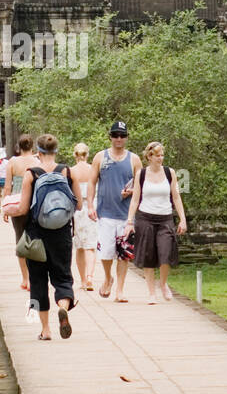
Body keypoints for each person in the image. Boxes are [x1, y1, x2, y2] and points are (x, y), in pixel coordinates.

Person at [10, 133, 80, 340]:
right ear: (56, 151)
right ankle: (64, 307)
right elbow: (79, 204)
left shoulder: (31, 174)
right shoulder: (67, 171)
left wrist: (8, 211)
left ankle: (46, 330)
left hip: (36, 235)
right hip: (61, 233)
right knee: (63, 276)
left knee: (38, 280)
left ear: (38, 153)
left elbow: (23, 209)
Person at [125, 141, 187, 303]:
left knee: (165, 254)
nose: (161, 158)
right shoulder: (142, 174)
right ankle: (151, 293)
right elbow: (135, 200)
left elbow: (176, 197)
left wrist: (182, 219)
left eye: (162, 155)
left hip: (165, 218)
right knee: (148, 256)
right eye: (157, 155)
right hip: (145, 218)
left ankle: (163, 283)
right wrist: (129, 221)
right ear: (149, 156)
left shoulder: (170, 173)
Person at [87, 120, 141, 302]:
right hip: (106, 213)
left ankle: (120, 289)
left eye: (122, 136)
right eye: (116, 135)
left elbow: (141, 187)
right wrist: (90, 205)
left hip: (126, 215)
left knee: (124, 254)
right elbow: (92, 182)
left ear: (126, 138)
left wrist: (131, 191)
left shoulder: (134, 159)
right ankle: (108, 277)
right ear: (110, 137)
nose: (119, 139)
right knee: (106, 253)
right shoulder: (100, 157)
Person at [3, 135, 39, 291]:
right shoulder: (38, 162)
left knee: (20, 238)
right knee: (34, 239)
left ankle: (25, 278)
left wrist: (5, 206)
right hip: (33, 202)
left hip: (17, 202)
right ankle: (33, 277)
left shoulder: (12, 162)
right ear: (32, 147)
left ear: (19, 147)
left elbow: (7, 187)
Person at [69, 142, 97, 291]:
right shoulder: (93, 169)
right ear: (87, 155)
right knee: (90, 246)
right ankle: (90, 277)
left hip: (77, 209)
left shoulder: (71, 171)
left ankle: (83, 280)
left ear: (75, 155)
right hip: (92, 207)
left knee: (79, 247)